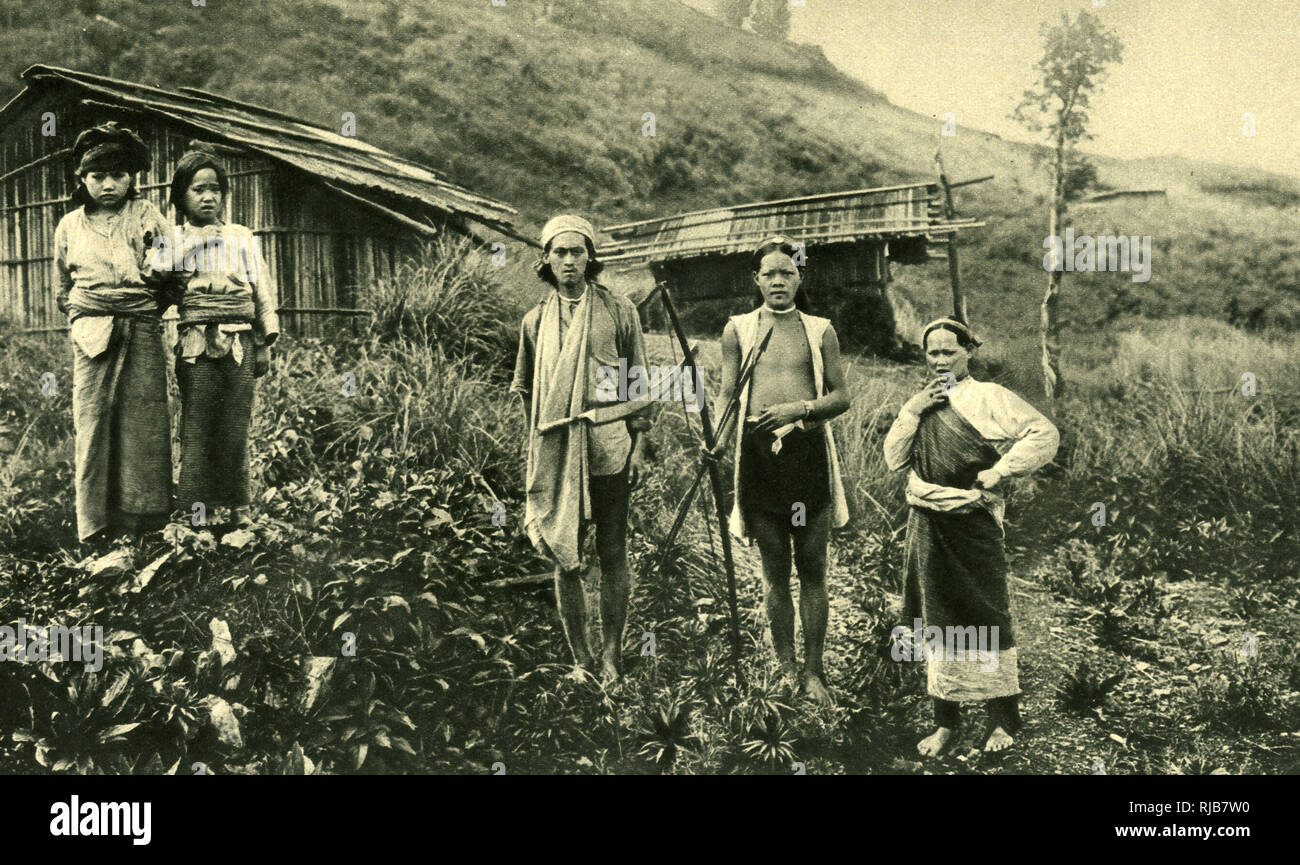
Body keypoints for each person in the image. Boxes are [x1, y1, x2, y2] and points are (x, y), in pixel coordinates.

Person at [883, 318, 1059, 754]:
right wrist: (913, 411)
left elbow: (1044, 433)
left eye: (949, 351)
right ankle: (946, 721)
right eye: (932, 352)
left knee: (985, 610)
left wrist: (999, 471)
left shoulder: (989, 396)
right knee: (938, 615)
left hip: (973, 520)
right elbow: (892, 460)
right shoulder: (919, 402)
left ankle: (1003, 718)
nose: (940, 360)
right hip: (928, 520)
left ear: (969, 352)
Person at [510, 215, 651, 684]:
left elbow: (639, 383)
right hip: (556, 451)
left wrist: (640, 440)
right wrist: (539, 449)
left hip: (609, 446)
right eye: (560, 252)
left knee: (613, 552)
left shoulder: (617, 310)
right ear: (546, 260)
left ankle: (611, 656)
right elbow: (530, 394)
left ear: (591, 258)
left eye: (577, 252)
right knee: (562, 553)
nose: (569, 260)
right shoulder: (535, 322)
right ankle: (582, 659)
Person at [710, 236, 850, 704]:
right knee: (774, 572)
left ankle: (815, 673)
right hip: (758, 459)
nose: (777, 281)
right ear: (756, 280)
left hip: (806, 456)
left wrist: (800, 409)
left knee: (812, 569)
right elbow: (728, 395)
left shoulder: (819, 330)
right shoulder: (738, 330)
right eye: (769, 273)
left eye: (786, 273)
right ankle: (786, 670)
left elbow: (840, 396)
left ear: (799, 278)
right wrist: (717, 440)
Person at [54, 123, 174, 548]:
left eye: (118, 176)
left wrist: (142, 308)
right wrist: (78, 315)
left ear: (131, 179)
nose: (108, 185)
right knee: (93, 422)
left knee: (143, 423)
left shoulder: (147, 216)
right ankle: (95, 525)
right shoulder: (69, 226)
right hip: (90, 332)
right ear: (82, 181)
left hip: (140, 325)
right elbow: (61, 287)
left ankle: (145, 520)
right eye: (98, 177)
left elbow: (170, 274)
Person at [151, 143, 279, 528]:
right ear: (180, 196)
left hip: (241, 341)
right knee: (197, 426)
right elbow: (154, 284)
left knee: (236, 425)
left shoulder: (241, 236)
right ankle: (196, 514)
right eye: (197, 189)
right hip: (195, 345)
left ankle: (240, 511)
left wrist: (264, 341)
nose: (208, 197)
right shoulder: (169, 239)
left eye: (215, 189)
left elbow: (262, 290)